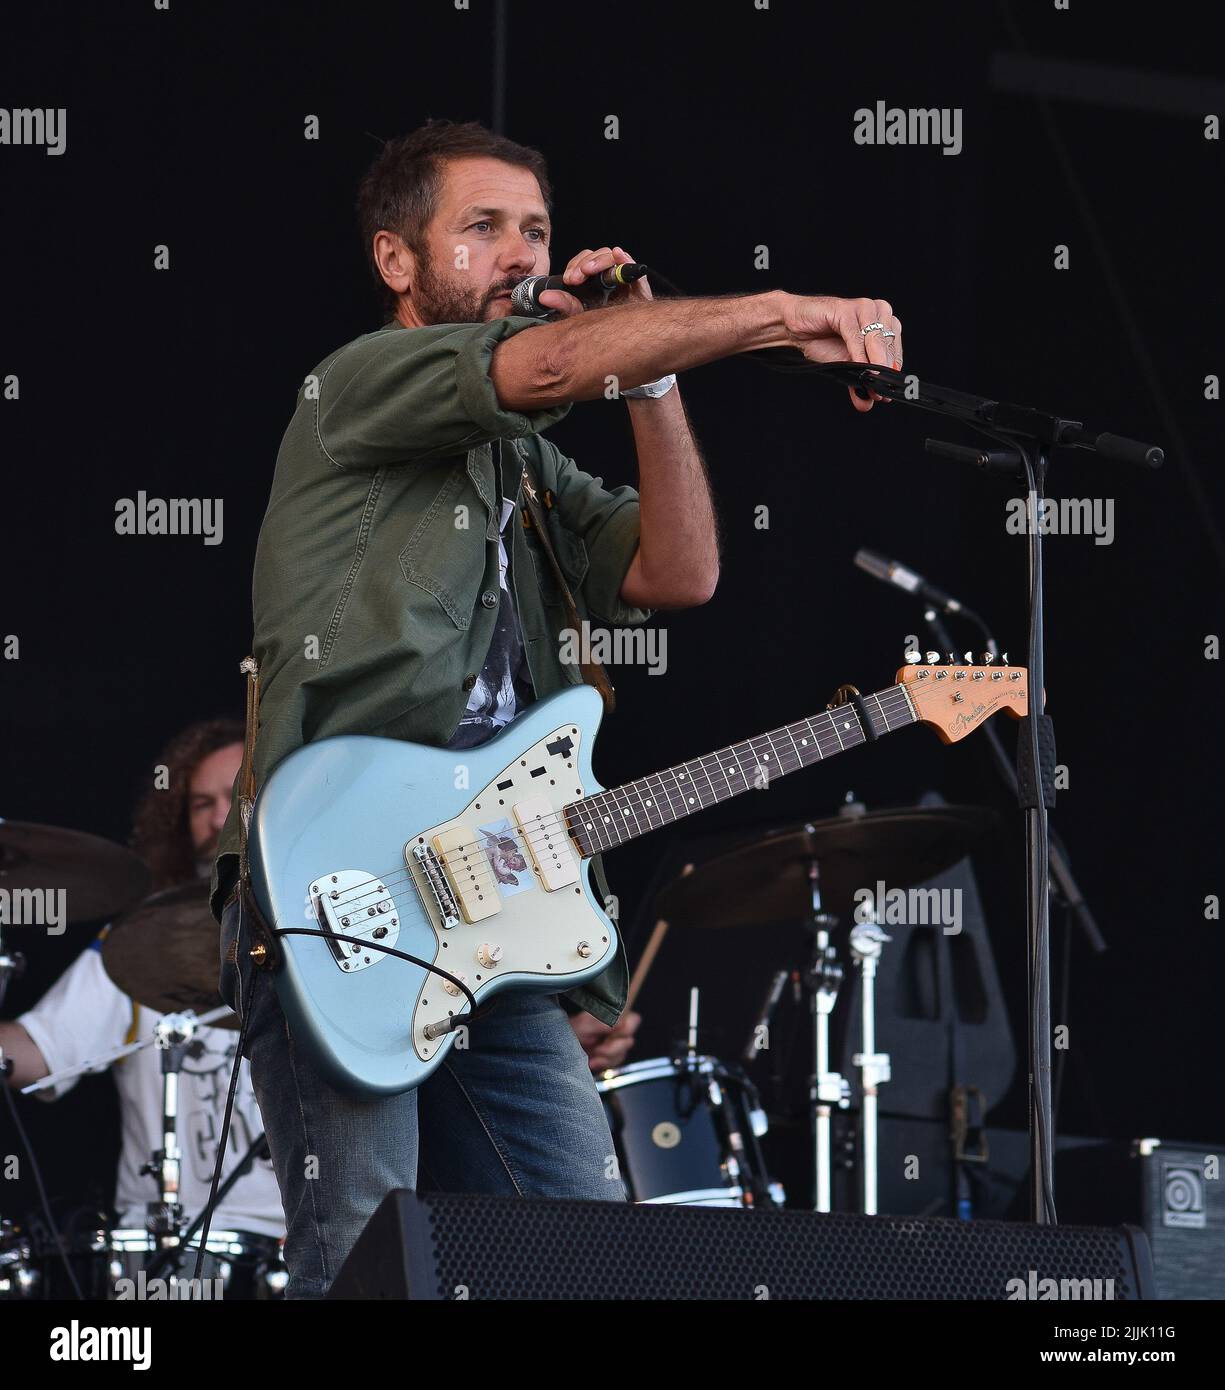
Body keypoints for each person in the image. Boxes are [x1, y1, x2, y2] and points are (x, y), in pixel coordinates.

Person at [211, 119, 900, 1297]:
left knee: (575, 1251)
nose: (520, 256)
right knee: (367, 1257)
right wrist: (783, 311)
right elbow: (540, 368)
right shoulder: (360, 379)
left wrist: (656, 369)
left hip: (485, 915)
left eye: (535, 229)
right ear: (397, 261)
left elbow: (678, 571)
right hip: (338, 881)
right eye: (481, 229)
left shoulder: (523, 467)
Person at [0, 720, 286, 1256]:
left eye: (234, 795)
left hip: (296, 1239)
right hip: (158, 1244)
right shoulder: (140, 945)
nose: (218, 816)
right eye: (200, 803)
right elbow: (38, 1052)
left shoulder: (324, 929)